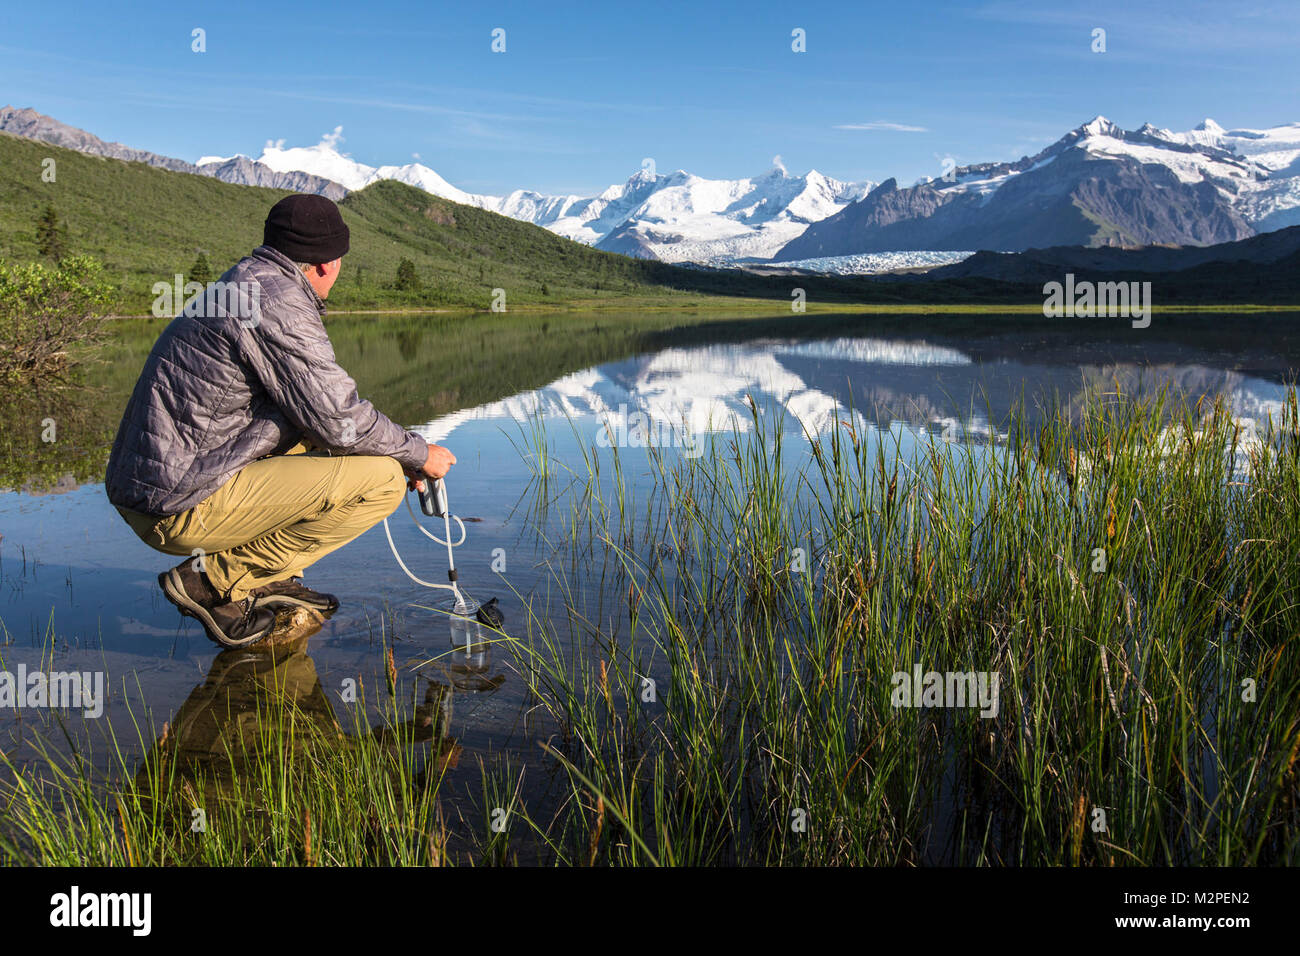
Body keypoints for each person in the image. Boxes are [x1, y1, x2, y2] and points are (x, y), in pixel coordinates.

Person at [106, 194, 455, 648]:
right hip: (174, 505)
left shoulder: (248, 283)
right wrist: (416, 453)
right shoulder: (277, 300)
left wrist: (389, 445)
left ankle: (270, 578)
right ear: (327, 263)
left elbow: (318, 419)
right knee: (383, 480)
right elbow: (339, 417)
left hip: (156, 489)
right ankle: (213, 582)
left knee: (316, 446)